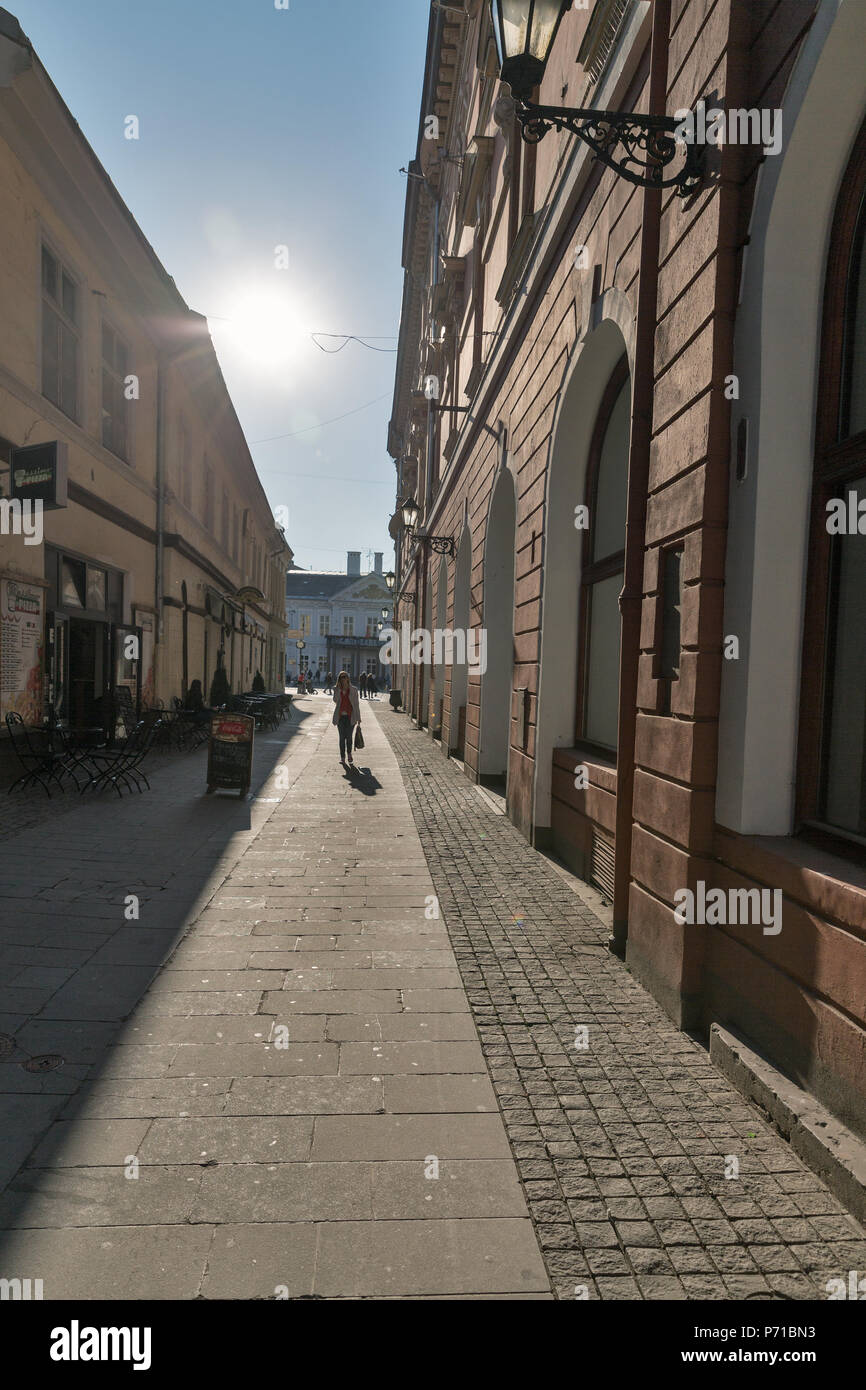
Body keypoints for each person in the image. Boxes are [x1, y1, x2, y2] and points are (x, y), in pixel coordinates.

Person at [332, 670, 361, 767]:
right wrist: (338, 690)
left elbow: (356, 705)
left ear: (348, 678)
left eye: (344, 677)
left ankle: (349, 754)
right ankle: (342, 757)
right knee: (341, 738)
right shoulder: (337, 689)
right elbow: (335, 701)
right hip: (340, 717)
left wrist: (358, 718)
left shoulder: (354, 690)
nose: (343, 679)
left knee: (348, 737)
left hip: (350, 717)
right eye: (341, 677)